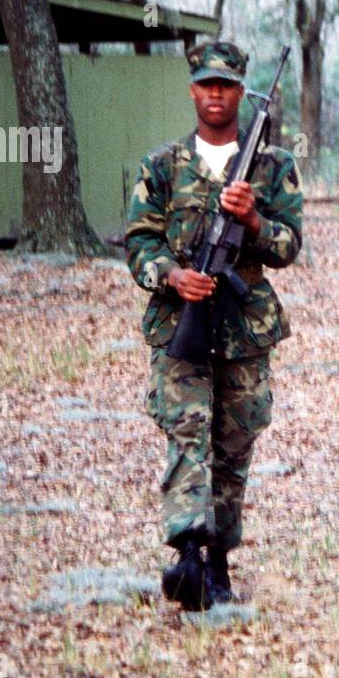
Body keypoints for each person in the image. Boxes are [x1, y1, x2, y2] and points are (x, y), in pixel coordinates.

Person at [124, 41, 302, 611]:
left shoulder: (273, 167)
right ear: (193, 90)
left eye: (227, 86)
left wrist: (253, 219)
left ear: (240, 92)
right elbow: (138, 245)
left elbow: (288, 246)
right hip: (182, 323)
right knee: (186, 436)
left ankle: (219, 559)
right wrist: (173, 277)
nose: (217, 95)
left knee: (233, 445)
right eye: (207, 84)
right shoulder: (162, 165)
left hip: (245, 330)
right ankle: (187, 555)